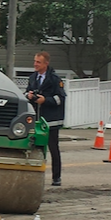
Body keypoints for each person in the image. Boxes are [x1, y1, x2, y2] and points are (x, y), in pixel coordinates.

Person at [26, 51, 66, 186]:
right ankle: (33, 176)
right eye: (35, 61)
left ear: (46, 64)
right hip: (36, 119)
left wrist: (45, 100)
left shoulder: (55, 79)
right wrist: (29, 96)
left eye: (38, 62)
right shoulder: (32, 78)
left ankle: (56, 177)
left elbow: (60, 98)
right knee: (33, 147)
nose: (35, 64)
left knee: (53, 148)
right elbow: (27, 92)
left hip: (51, 120)